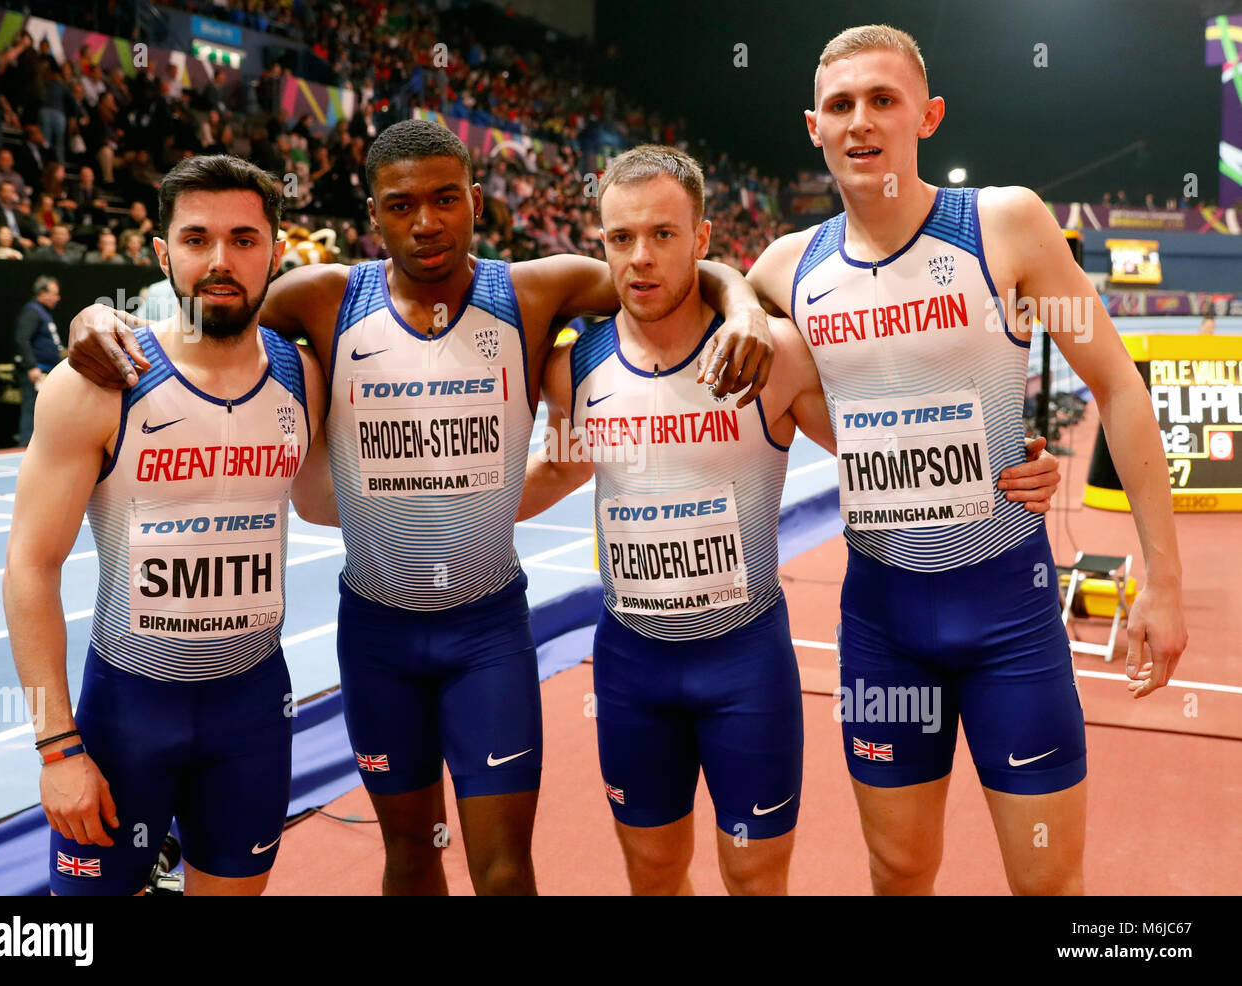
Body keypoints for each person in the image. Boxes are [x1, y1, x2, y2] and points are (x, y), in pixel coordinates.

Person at [65, 119, 774, 896]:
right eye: (401, 205)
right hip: (377, 637)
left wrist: (740, 301)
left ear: (477, 201)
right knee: (408, 854)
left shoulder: (533, 291)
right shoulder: (326, 297)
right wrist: (100, 318)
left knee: (504, 872)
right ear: (375, 215)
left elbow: (667, 269)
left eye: (445, 200)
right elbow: (197, 315)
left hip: (487, 634)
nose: (426, 221)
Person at [519, 145, 1060, 895]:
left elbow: (877, 441)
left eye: (664, 235)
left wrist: (1012, 458)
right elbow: (562, 466)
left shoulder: (771, 355)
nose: (641, 258)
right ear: (600, 240)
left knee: (755, 877)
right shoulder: (574, 367)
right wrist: (454, 514)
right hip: (631, 664)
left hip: (746, 667)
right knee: (650, 871)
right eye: (620, 238)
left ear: (704, 240)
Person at [744, 24, 1187, 895]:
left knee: (1047, 881)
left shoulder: (1006, 224)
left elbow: (1121, 389)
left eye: (883, 100)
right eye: (841, 105)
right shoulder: (786, 268)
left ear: (928, 115)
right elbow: (761, 347)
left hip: (1009, 617)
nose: (861, 121)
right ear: (813, 125)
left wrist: (1162, 584)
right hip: (881, 621)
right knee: (900, 870)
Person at [3, 154, 330, 896]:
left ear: (277, 252)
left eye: (245, 240)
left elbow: (324, 503)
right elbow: (30, 564)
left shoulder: (302, 377)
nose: (220, 260)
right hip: (124, 713)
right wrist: (57, 749)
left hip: (252, 710)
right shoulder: (97, 382)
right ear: (162, 254)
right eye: (197, 239)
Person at [13, 276, 63, 445]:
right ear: (42, 293)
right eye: (54, 294)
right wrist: (32, 366)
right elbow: (22, 339)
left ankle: (40, 446)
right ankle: (25, 447)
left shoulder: (42, 313)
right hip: (36, 371)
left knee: (42, 410)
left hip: (46, 370)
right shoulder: (32, 311)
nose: (58, 298)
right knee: (31, 408)